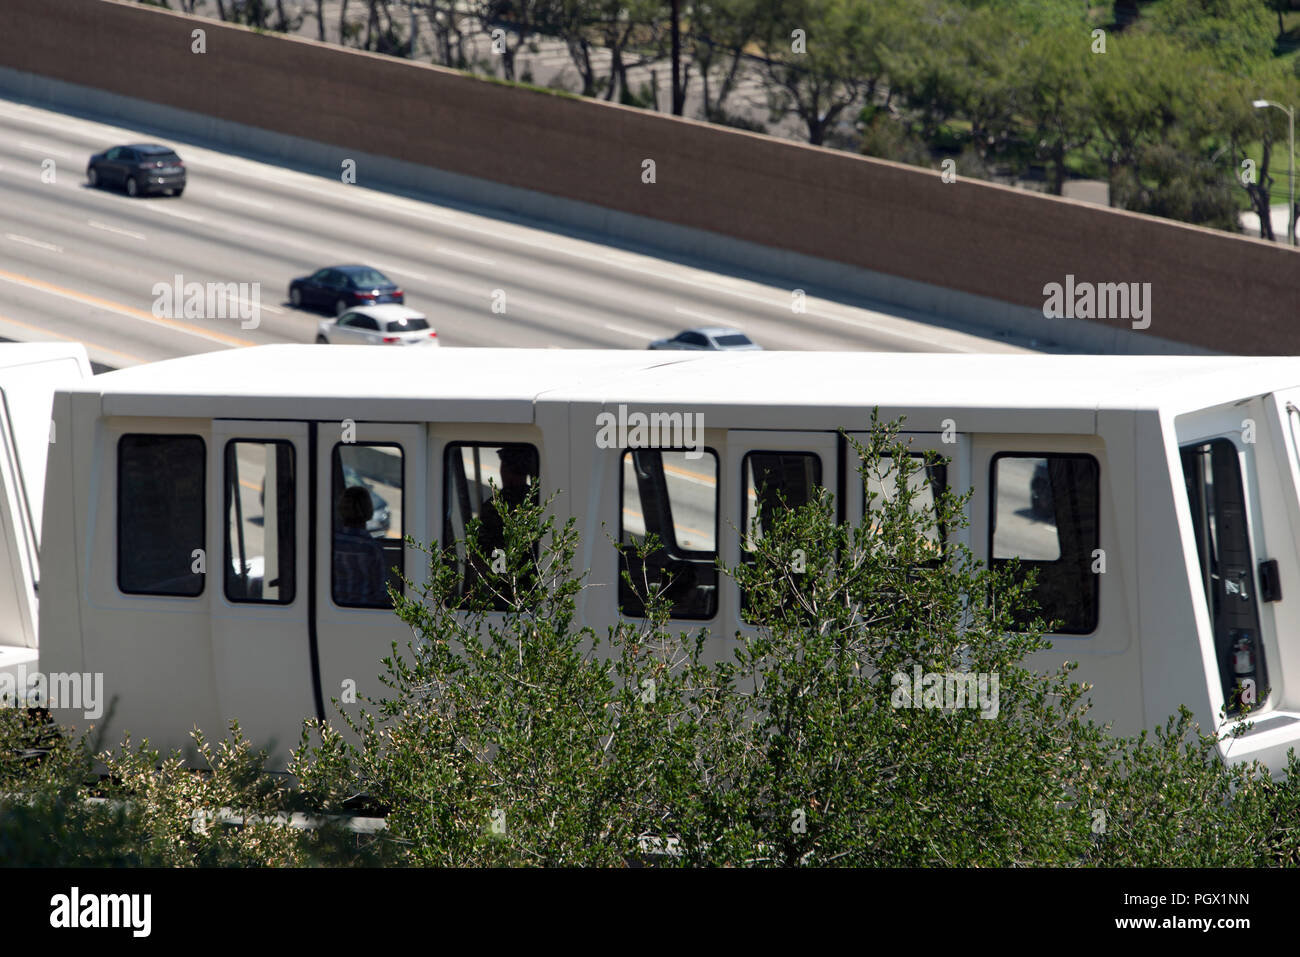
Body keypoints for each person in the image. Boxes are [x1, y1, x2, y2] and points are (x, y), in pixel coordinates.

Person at [466, 446, 538, 606]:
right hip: (532, 590)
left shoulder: (496, 506)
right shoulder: (537, 503)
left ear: (506, 470)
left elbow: (478, 553)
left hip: (501, 591)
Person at [333, 484, 388, 606]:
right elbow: (380, 592)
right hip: (362, 611)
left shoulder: (330, 543)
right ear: (368, 510)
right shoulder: (372, 548)